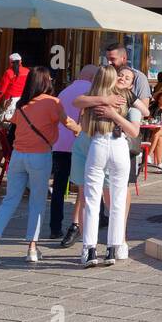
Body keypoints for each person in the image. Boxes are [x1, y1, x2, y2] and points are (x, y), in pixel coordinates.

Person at [0, 66, 77, 266]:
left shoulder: (22, 104)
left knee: (9, 201)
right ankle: (32, 248)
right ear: (45, 81)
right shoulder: (52, 102)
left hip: (17, 156)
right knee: (37, 203)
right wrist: (83, 129)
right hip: (40, 156)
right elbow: (69, 124)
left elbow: (14, 125)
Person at [73, 64, 141, 267]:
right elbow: (135, 130)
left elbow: (78, 107)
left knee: (92, 199)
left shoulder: (93, 97)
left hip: (99, 143)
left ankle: (90, 249)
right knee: (118, 200)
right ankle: (112, 248)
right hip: (119, 145)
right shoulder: (122, 97)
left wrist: (106, 108)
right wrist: (115, 113)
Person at [54, 64, 98, 246]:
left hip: (59, 143)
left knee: (59, 185)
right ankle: (79, 224)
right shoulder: (92, 92)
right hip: (81, 144)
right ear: (91, 77)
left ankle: (54, 226)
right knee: (82, 185)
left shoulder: (63, 92)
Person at [104, 44, 150, 108]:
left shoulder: (139, 77)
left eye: (112, 59)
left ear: (124, 58)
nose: (109, 62)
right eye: (107, 59)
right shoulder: (105, 75)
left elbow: (144, 109)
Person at [0, 53, 29, 122]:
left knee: (8, 120)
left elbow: (2, 89)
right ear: (20, 61)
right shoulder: (27, 71)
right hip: (23, 100)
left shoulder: (8, 72)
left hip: (10, 100)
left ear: (10, 62)